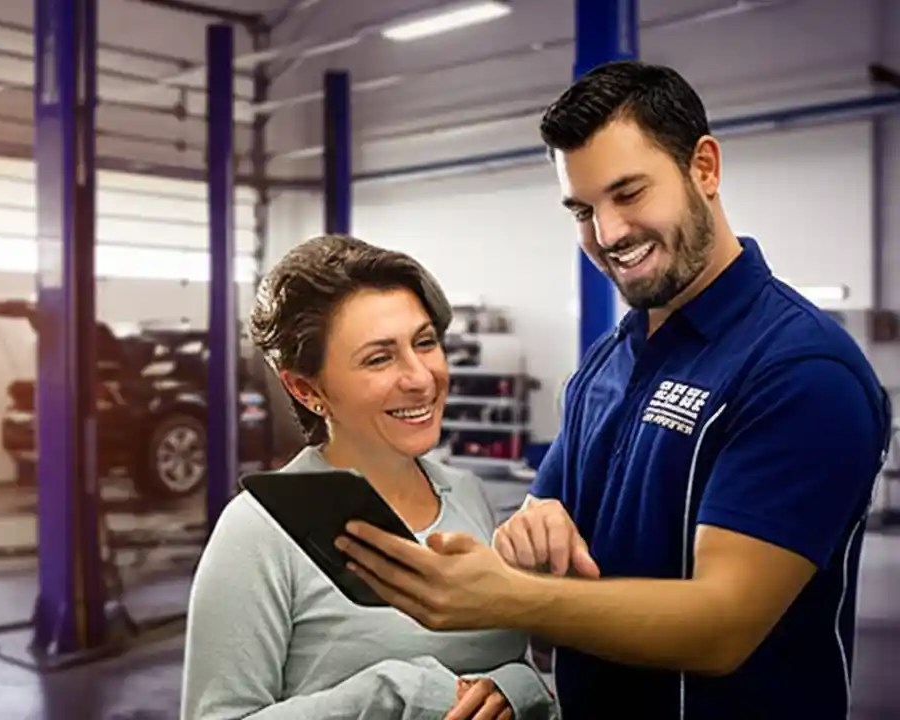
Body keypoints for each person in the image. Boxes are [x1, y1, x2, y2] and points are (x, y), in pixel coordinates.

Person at [334, 60, 892, 720]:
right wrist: (526, 538)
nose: (607, 234)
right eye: (582, 209)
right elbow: (549, 540)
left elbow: (723, 626)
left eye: (629, 193)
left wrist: (502, 598)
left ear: (704, 168)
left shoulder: (801, 370)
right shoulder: (604, 365)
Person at [180, 234, 557, 720]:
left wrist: (515, 686)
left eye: (425, 343)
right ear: (307, 388)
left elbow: (513, 661)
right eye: (379, 358)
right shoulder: (259, 530)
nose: (421, 377)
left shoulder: (465, 494)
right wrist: (392, 693)